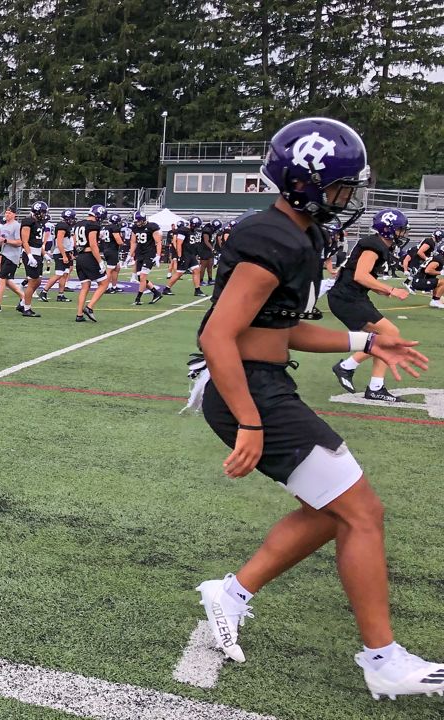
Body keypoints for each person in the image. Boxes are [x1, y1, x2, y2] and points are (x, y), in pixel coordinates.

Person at [194, 116, 444, 701]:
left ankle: (231, 593)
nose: (347, 199)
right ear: (306, 182)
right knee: (362, 513)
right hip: (248, 392)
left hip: (263, 381)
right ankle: (383, 661)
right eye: (339, 187)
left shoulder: (300, 234)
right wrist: (250, 421)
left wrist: (365, 342)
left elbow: (283, 332)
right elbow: (218, 337)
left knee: (335, 510)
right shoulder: (271, 238)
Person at [329, 209, 414, 403]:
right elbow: (360, 275)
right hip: (346, 298)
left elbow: (360, 277)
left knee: (385, 336)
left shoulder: (378, 245)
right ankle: (350, 368)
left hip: (353, 296)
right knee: (390, 334)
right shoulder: (373, 246)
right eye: (400, 230)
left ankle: (373, 384)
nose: (403, 234)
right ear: (388, 229)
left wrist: (379, 290)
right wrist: (391, 290)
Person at [72, 204, 109, 322]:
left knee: (85, 286)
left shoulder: (78, 224)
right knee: (104, 283)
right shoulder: (93, 225)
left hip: (80, 257)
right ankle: (89, 307)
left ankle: (79, 315)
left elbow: (75, 243)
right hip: (89, 256)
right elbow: (93, 245)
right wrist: (100, 261)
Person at [0, 207, 24, 313]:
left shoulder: (16, 225)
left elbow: (19, 242)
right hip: (4, 254)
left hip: (12, 256)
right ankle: (24, 297)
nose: (7, 214)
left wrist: (6, 240)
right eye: (6, 213)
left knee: (2, 278)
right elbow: (1, 243)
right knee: (6, 281)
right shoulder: (3, 227)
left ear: (14, 214)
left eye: (9, 213)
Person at [16, 201, 49, 317]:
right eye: (43, 212)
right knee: (32, 282)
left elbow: (38, 242)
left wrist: (44, 254)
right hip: (30, 254)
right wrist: (30, 256)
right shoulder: (28, 221)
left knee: (38, 281)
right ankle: (26, 308)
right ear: (37, 211)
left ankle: (23, 303)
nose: (44, 215)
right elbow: (24, 241)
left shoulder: (39, 222)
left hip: (37, 254)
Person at [128, 211, 164, 305]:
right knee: (141, 278)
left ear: (143, 220)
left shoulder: (152, 227)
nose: (137, 223)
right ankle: (156, 293)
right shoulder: (135, 228)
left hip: (149, 254)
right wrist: (130, 254)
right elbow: (133, 242)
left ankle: (138, 299)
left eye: (138, 221)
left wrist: (158, 255)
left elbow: (158, 242)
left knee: (143, 276)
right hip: (140, 254)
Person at [39, 209, 75, 302]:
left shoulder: (65, 226)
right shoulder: (62, 226)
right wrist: (64, 255)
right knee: (59, 274)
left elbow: (67, 242)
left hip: (66, 252)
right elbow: (59, 242)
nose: (73, 220)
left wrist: (69, 253)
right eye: (71, 218)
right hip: (60, 252)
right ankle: (44, 291)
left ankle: (61, 295)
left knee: (65, 274)